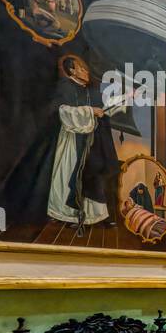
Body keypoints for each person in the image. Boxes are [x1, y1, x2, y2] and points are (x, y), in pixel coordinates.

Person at [44, 53, 123, 232]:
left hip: (92, 142)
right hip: (72, 141)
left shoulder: (92, 90)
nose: (86, 71)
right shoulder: (64, 87)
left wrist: (125, 98)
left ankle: (94, 216)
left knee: (93, 175)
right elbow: (62, 111)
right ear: (72, 70)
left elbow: (106, 107)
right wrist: (89, 111)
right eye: (81, 68)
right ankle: (65, 214)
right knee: (66, 175)